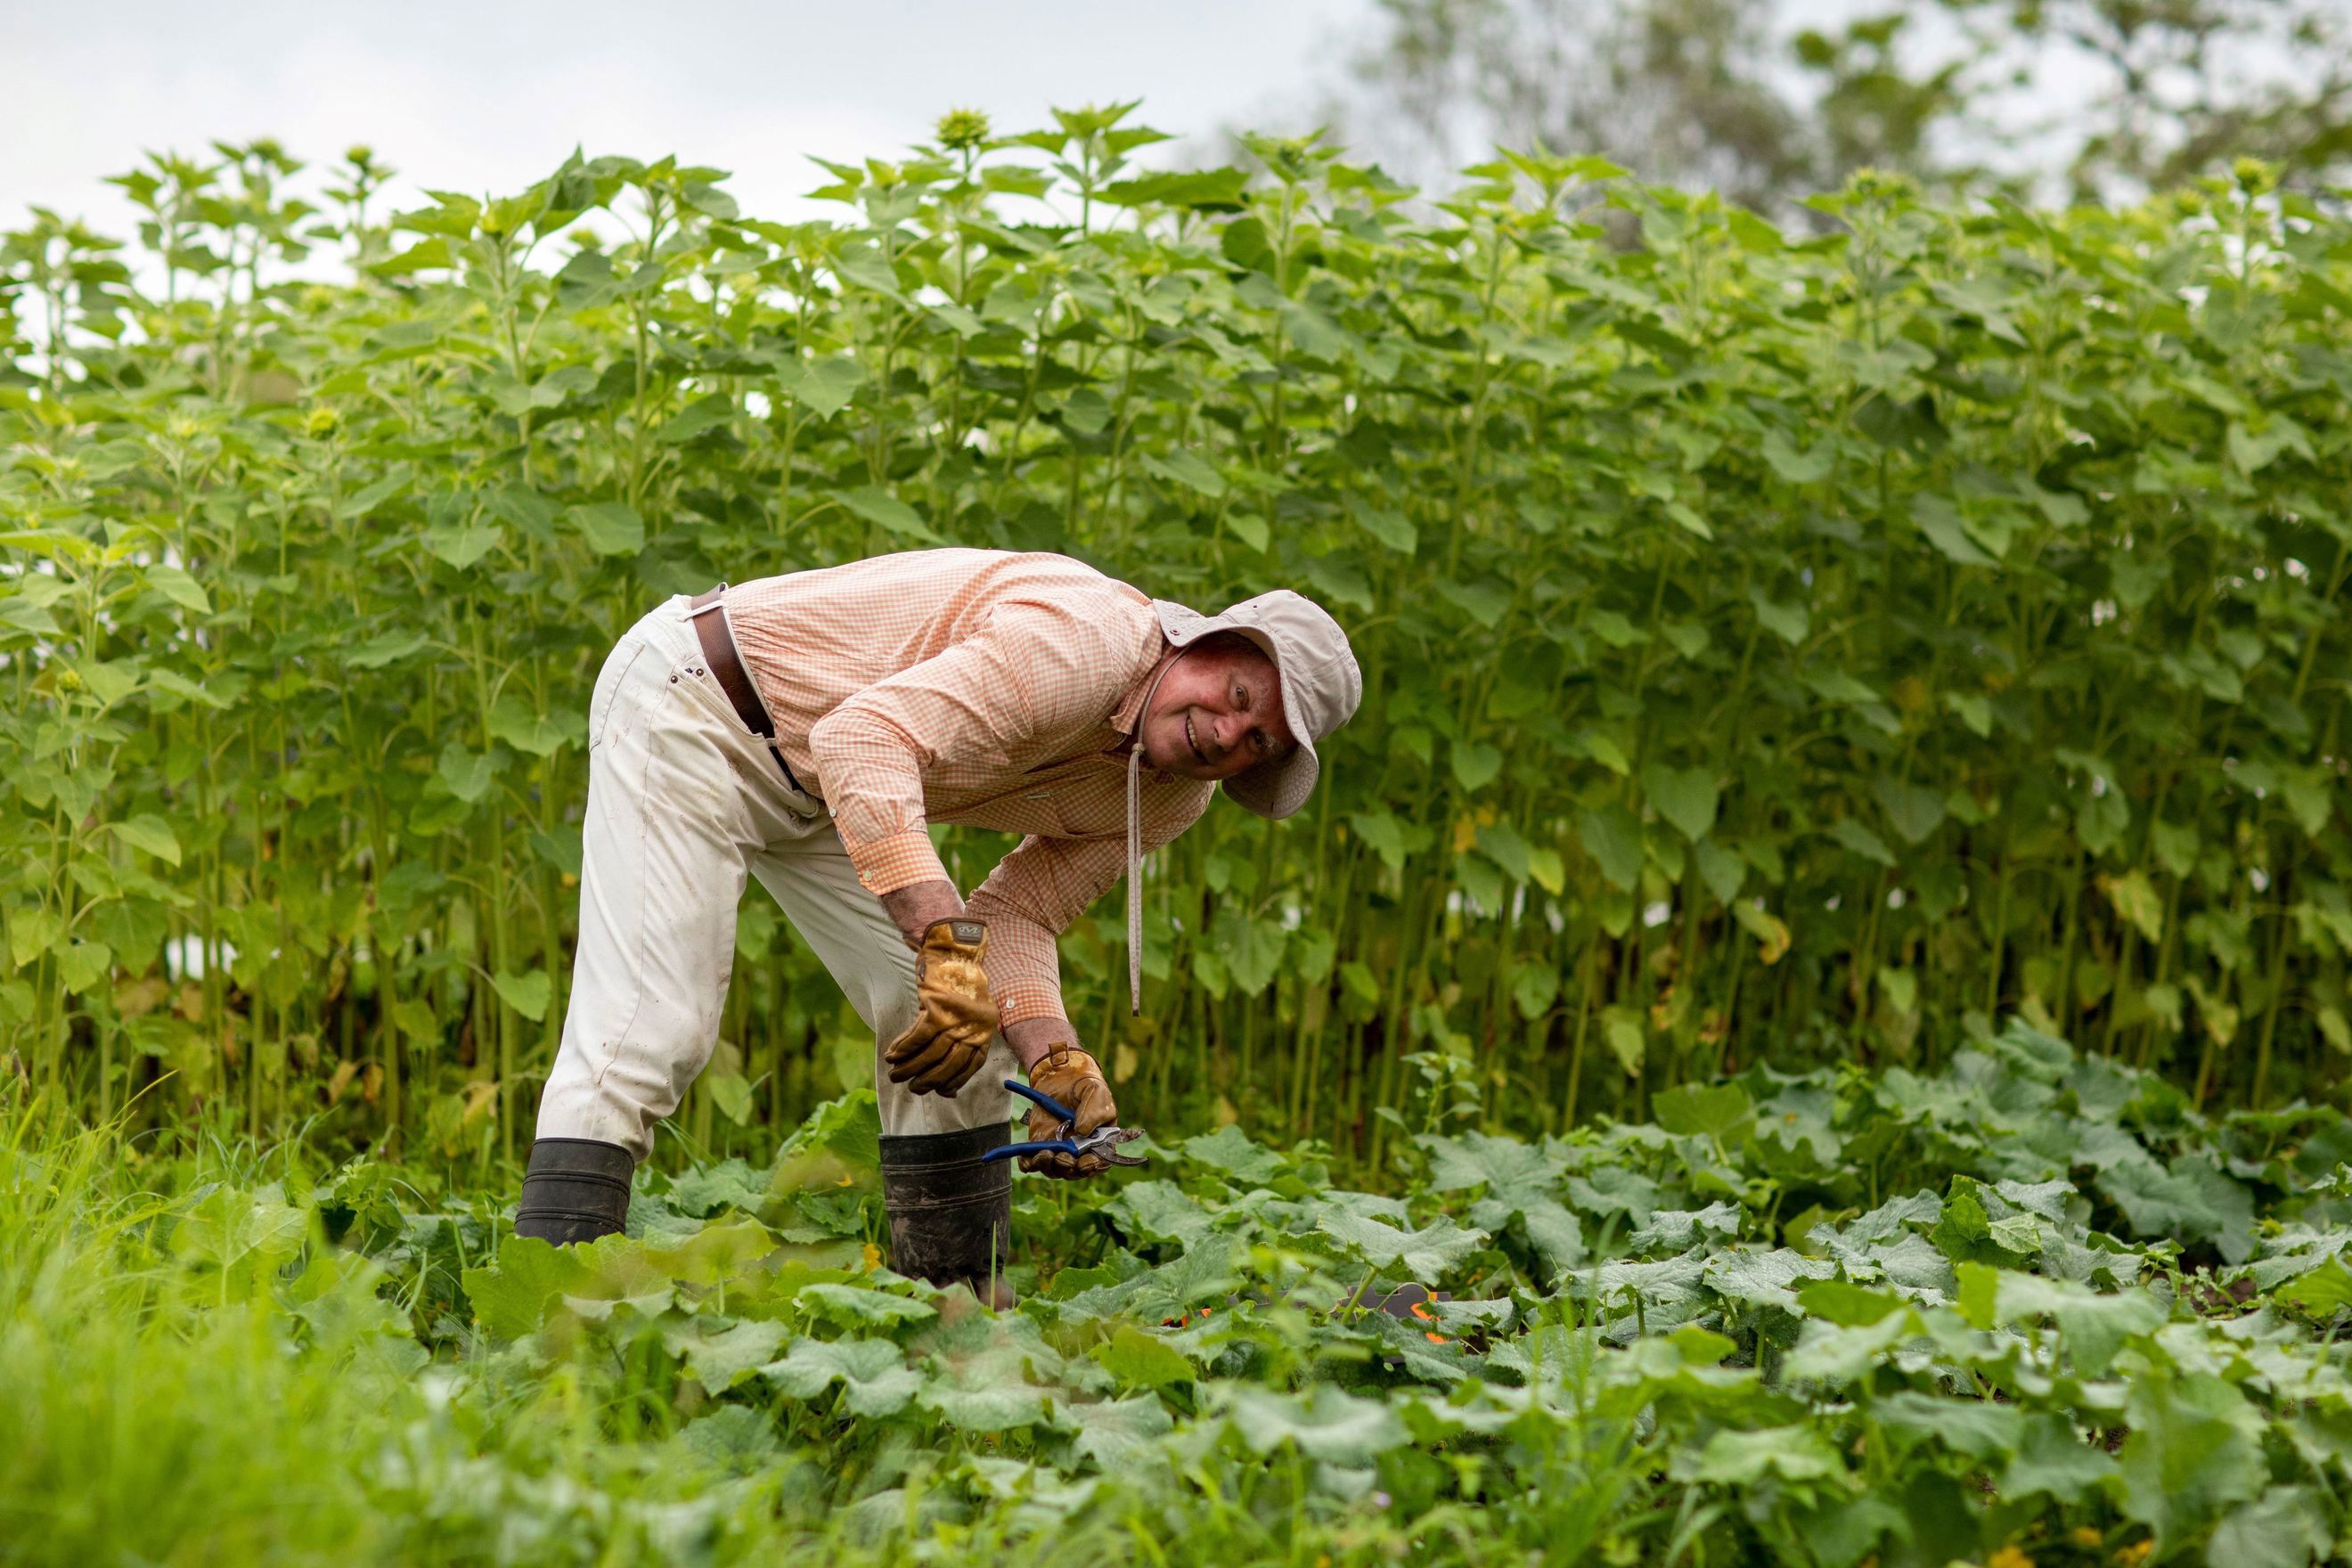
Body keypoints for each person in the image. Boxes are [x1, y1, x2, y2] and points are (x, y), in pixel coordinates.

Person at [511, 548, 1361, 1297]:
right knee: (656, 1024)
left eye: (1260, 740)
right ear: (1207, 645)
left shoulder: (1172, 795)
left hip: (822, 781)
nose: (1225, 733)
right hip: (699, 707)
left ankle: (951, 1316)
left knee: (974, 1021)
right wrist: (943, 944)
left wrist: (1056, 1058)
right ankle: (551, 1313)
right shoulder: (1083, 644)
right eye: (1238, 695)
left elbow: (1019, 914)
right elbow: (863, 740)